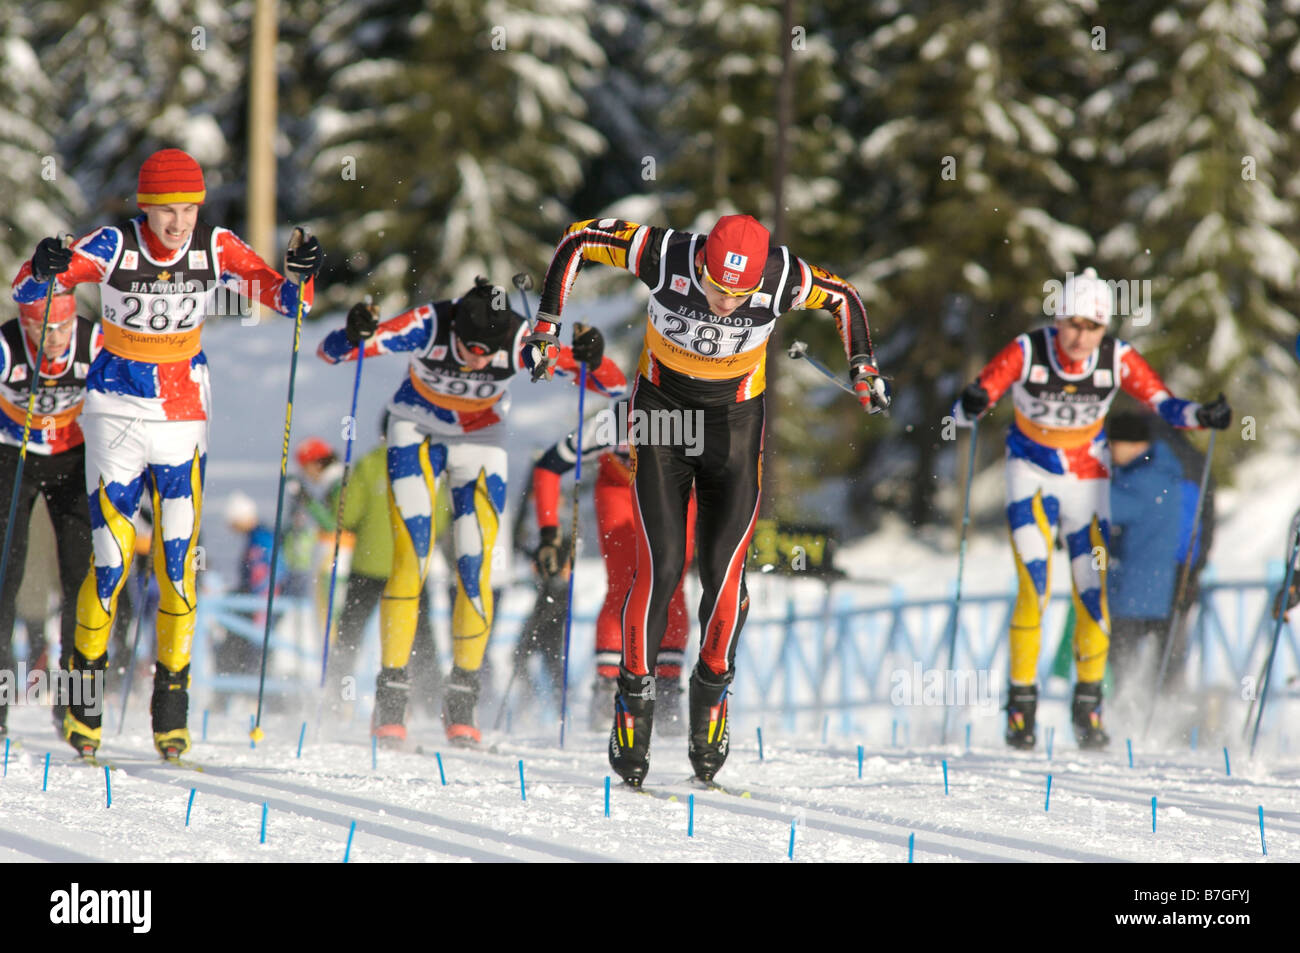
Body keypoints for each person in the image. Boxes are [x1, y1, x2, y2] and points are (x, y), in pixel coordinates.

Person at [524, 213, 888, 786]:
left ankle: (713, 691)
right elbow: (578, 238)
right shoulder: (663, 252)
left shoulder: (783, 274)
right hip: (663, 419)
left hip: (733, 428)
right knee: (661, 567)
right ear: (701, 264)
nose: (725, 302)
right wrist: (547, 326)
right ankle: (633, 699)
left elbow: (844, 298)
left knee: (725, 574)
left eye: (740, 294)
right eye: (718, 287)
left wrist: (863, 366)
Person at [11, 147, 323, 759]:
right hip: (116, 409)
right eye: (165, 211)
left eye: (187, 209)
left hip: (182, 416)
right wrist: (44, 264)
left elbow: (291, 301)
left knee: (178, 567)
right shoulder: (114, 245)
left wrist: (303, 272)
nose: (177, 223)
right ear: (145, 209)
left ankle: (171, 710)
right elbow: (30, 287)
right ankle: (84, 699)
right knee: (110, 562)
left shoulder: (217, 246)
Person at [317, 279, 624, 745]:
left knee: (476, 566)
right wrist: (354, 329)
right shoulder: (430, 323)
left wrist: (591, 355)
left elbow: (612, 384)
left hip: (481, 440)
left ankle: (462, 696)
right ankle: (392, 696)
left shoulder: (523, 340)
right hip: (416, 431)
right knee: (410, 560)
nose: (479, 359)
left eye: (489, 351)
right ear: (456, 329)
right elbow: (332, 353)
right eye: (470, 348)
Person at [952, 268, 1231, 750]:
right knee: (1033, 589)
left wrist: (1201, 415)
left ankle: (1088, 710)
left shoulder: (1115, 357)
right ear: (1059, 319)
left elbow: (1162, 404)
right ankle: (1021, 709)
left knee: (1092, 593)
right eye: (1074, 323)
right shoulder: (1029, 349)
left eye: (1093, 326)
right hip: (1030, 476)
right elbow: (965, 409)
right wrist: (972, 403)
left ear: (1105, 328)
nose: (1081, 337)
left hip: (1087, 480)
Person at [527, 399, 698, 732]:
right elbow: (549, 466)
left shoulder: (690, 416)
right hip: (620, 489)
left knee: (670, 584)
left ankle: (665, 688)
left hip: (674, 492)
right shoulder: (614, 420)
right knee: (623, 584)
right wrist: (549, 532)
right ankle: (608, 688)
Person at [0, 292, 100, 736]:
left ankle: (78, 706)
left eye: (61, 326)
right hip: (13, 456)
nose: (54, 338)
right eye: (43, 328)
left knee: (85, 579)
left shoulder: (93, 340)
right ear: (25, 322)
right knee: (7, 576)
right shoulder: (6, 346)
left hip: (73, 459)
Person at [1106, 412, 1213, 692]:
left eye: (1113, 443)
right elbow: (1203, 523)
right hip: (1177, 577)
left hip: (1137, 584)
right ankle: (1174, 721)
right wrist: (1191, 571)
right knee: (1169, 667)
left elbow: (1103, 512)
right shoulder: (1184, 467)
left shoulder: (1140, 478)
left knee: (1124, 671)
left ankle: (1131, 722)